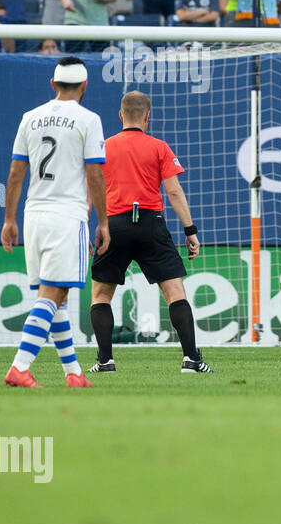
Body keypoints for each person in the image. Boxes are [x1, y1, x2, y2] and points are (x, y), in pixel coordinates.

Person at [0, 56, 108, 388]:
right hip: (66, 215)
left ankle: (73, 374)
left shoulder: (29, 118)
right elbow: (94, 175)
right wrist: (103, 221)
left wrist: (9, 219)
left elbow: (16, 173)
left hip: (33, 215)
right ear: (85, 86)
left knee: (55, 297)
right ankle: (20, 366)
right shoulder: (88, 119)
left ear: (53, 84)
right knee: (53, 294)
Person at [87, 91, 211, 374]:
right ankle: (191, 359)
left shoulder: (103, 147)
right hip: (150, 223)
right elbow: (174, 191)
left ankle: (105, 361)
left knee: (101, 296)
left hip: (114, 224)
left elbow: (89, 194)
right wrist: (190, 230)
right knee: (174, 291)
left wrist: (85, 231)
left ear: (120, 116)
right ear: (147, 116)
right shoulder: (159, 147)